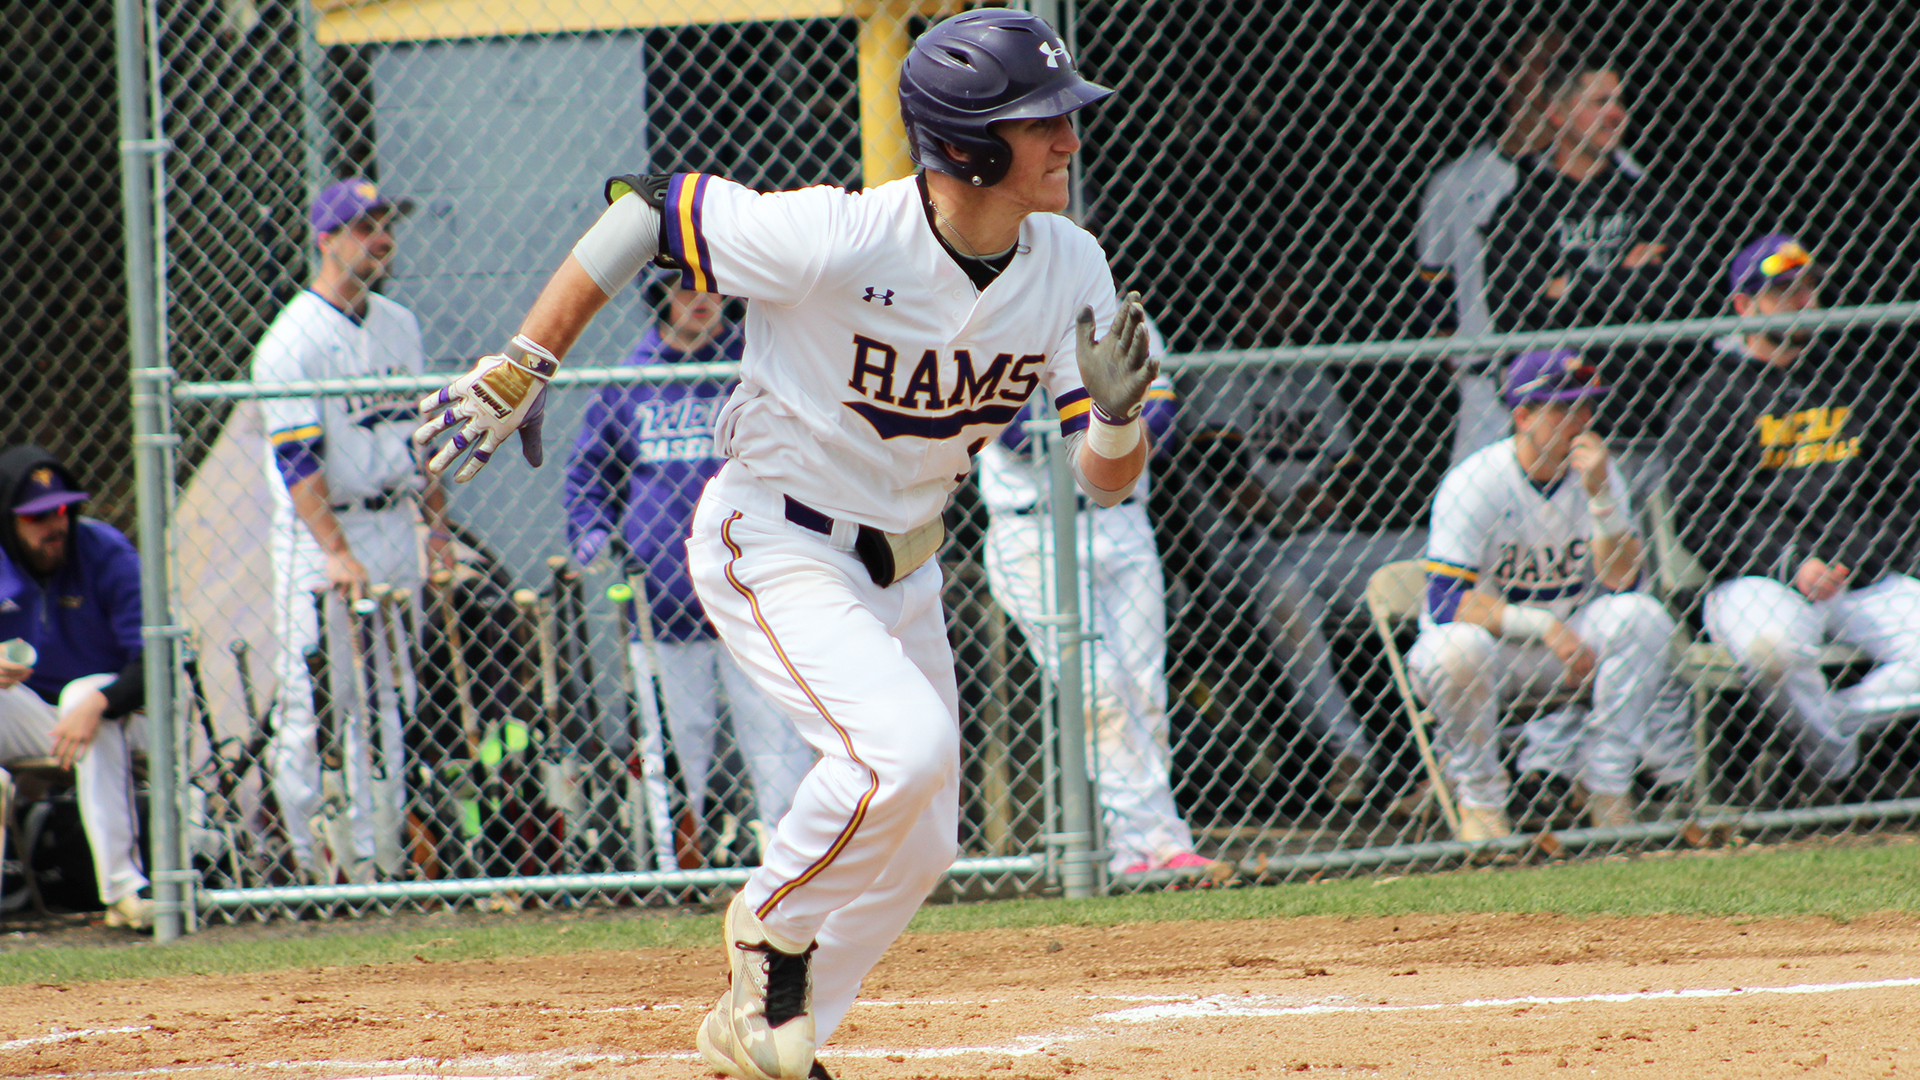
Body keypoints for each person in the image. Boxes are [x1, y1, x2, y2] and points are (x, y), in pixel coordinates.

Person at [411, 11, 1155, 1079]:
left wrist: (1120, 422)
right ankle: (768, 931)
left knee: (926, 837)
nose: (1068, 144)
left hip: (909, 562)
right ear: (969, 147)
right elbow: (646, 214)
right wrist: (528, 360)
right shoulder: (837, 236)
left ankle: (756, 1027)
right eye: (1040, 126)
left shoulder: (1069, 264)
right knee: (900, 752)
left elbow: (1104, 480)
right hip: (779, 538)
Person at [564, 277, 814, 868]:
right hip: (663, 603)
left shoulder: (754, 367)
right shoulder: (630, 380)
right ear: (654, 296)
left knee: (776, 736)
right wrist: (593, 535)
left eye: (708, 288)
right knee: (676, 740)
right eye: (679, 289)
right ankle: (674, 867)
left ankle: (790, 865)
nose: (699, 300)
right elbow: (587, 476)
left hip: (750, 591)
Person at [253, 178, 453, 883]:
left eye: (386, 222)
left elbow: (426, 437)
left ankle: (378, 861)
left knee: (389, 700)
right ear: (326, 240)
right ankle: (303, 869)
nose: (382, 236)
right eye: (364, 225)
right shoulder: (291, 342)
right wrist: (336, 553)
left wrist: (436, 530)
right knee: (312, 704)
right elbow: (297, 461)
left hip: (394, 523)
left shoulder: (400, 324)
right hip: (320, 538)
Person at [1409, 349, 1693, 840]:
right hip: (1496, 652)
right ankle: (1480, 803)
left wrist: (1602, 496)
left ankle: (1607, 785)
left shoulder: (1600, 472)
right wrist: (1540, 625)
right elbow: (1447, 602)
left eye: (1585, 406)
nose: (1578, 420)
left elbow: (1622, 581)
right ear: (1522, 416)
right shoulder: (1475, 481)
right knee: (1455, 647)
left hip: (1570, 654)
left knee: (1644, 617)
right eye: (1561, 408)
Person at [1668, 234, 1920, 785]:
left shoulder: (1854, 383)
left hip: (1856, 573)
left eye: (1807, 287)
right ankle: (1834, 769)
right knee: (1772, 649)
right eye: (1782, 290)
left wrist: (1853, 554)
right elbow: (1697, 516)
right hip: (1759, 578)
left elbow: (1902, 493)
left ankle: (1827, 739)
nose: (1802, 299)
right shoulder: (1711, 395)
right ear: (1744, 305)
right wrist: (1789, 563)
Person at [977, 315, 1205, 876]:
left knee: (1144, 691)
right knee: (1099, 690)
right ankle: (1157, 841)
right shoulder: (987, 318)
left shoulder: (1127, 318)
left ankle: (1141, 847)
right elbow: (1019, 438)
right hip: (1030, 531)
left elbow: (1160, 420)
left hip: (1121, 521)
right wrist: (1113, 426)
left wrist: (1095, 428)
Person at [1475, 57, 1682, 437]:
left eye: (1619, 102)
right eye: (1599, 102)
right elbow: (1512, 311)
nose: (1616, 114)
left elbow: (1682, 291)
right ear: (1557, 114)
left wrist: (1569, 288)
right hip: (1559, 427)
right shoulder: (1522, 209)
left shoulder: (1648, 199)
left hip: (1653, 420)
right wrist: (1627, 278)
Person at [0, 446, 152, 929]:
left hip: (131, 718)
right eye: (37, 516)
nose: (55, 524)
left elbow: (157, 660)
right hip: (39, 719)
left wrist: (102, 702)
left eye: (62, 509)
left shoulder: (106, 552)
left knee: (83, 695)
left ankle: (125, 892)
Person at [1415, 26, 1570, 461]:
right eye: (1544, 63)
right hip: (1487, 386)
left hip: (1570, 384)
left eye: (1566, 65)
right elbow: (1433, 291)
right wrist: (1464, 368)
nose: (1556, 76)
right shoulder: (1454, 183)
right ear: (1506, 71)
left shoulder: (1603, 175)